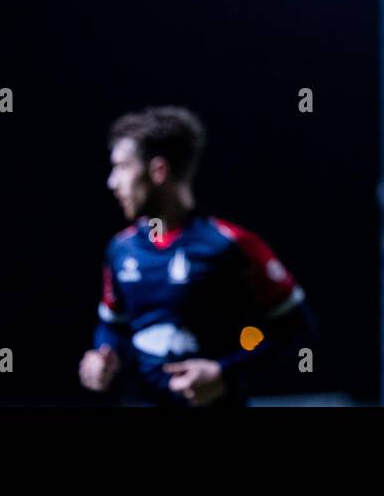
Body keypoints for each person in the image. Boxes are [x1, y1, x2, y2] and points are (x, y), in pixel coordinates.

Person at [78, 106, 313, 406]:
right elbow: (113, 325)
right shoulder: (120, 249)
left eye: (122, 167)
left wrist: (225, 373)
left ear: (158, 171)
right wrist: (103, 355)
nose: (113, 182)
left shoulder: (232, 245)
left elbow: (296, 328)